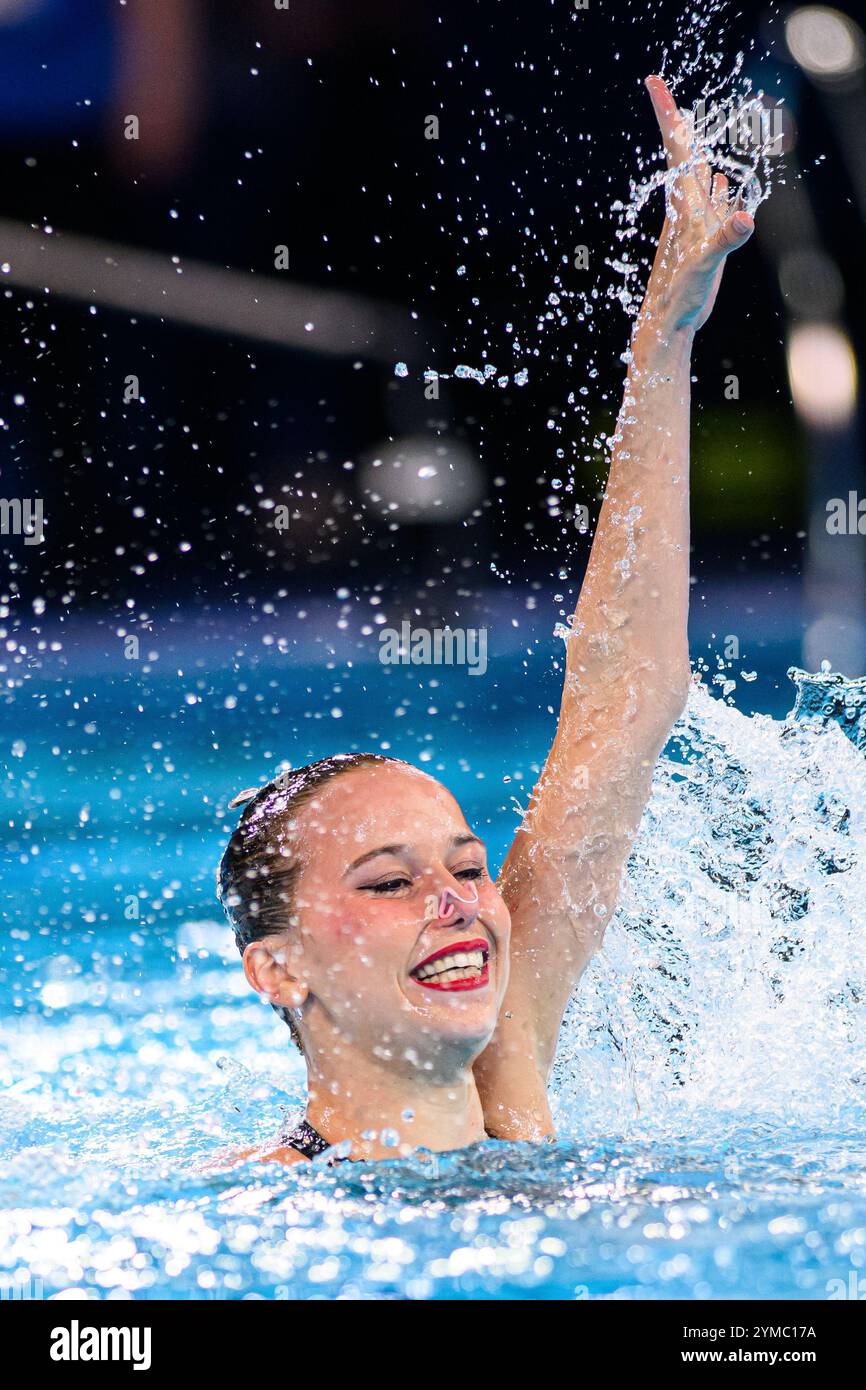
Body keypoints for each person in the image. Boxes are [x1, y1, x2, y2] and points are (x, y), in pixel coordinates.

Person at [217, 76, 755, 1164]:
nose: (457, 902)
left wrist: (668, 330)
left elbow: (622, 707)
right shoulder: (254, 1216)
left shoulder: (507, 1080)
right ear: (277, 967)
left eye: (465, 867)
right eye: (387, 879)